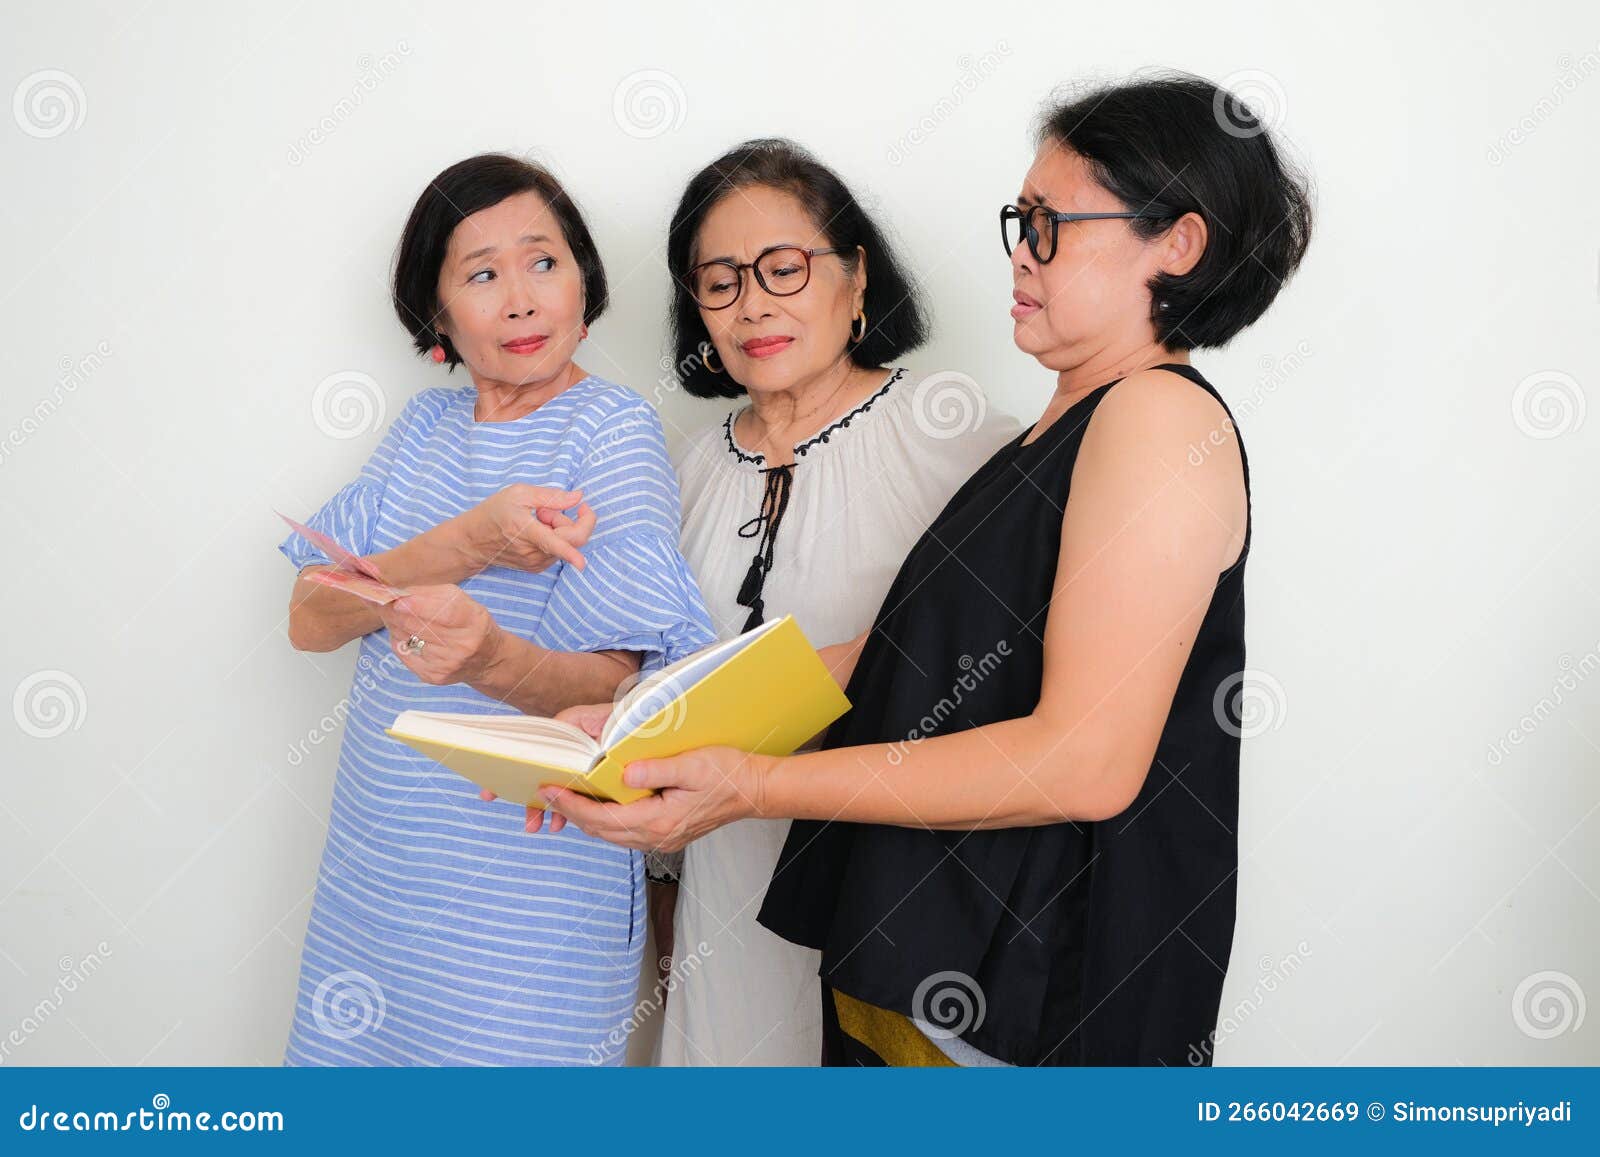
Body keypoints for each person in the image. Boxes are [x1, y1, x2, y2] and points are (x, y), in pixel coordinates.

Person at [532, 72, 1314, 1066]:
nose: (1021, 256)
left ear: (1178, 243)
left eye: (1050, 225)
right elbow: (896, 652)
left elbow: (1084, 760)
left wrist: (755, 784)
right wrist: (648, 723)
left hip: (1043, 1003)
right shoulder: (1056, 433)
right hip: (938, 979)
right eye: (1016, 223)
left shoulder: (1157, 419)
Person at [278, 153, 713, 1065]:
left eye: (543, 262)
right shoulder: (420, 430)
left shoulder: (611, 428)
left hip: (528, 882)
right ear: (437, 314)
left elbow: (615, 691)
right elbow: (310, 618)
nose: (521, 300)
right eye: (481, 274)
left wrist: (488, 657)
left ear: (585, 281)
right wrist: (470, 541)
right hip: (384, 867)